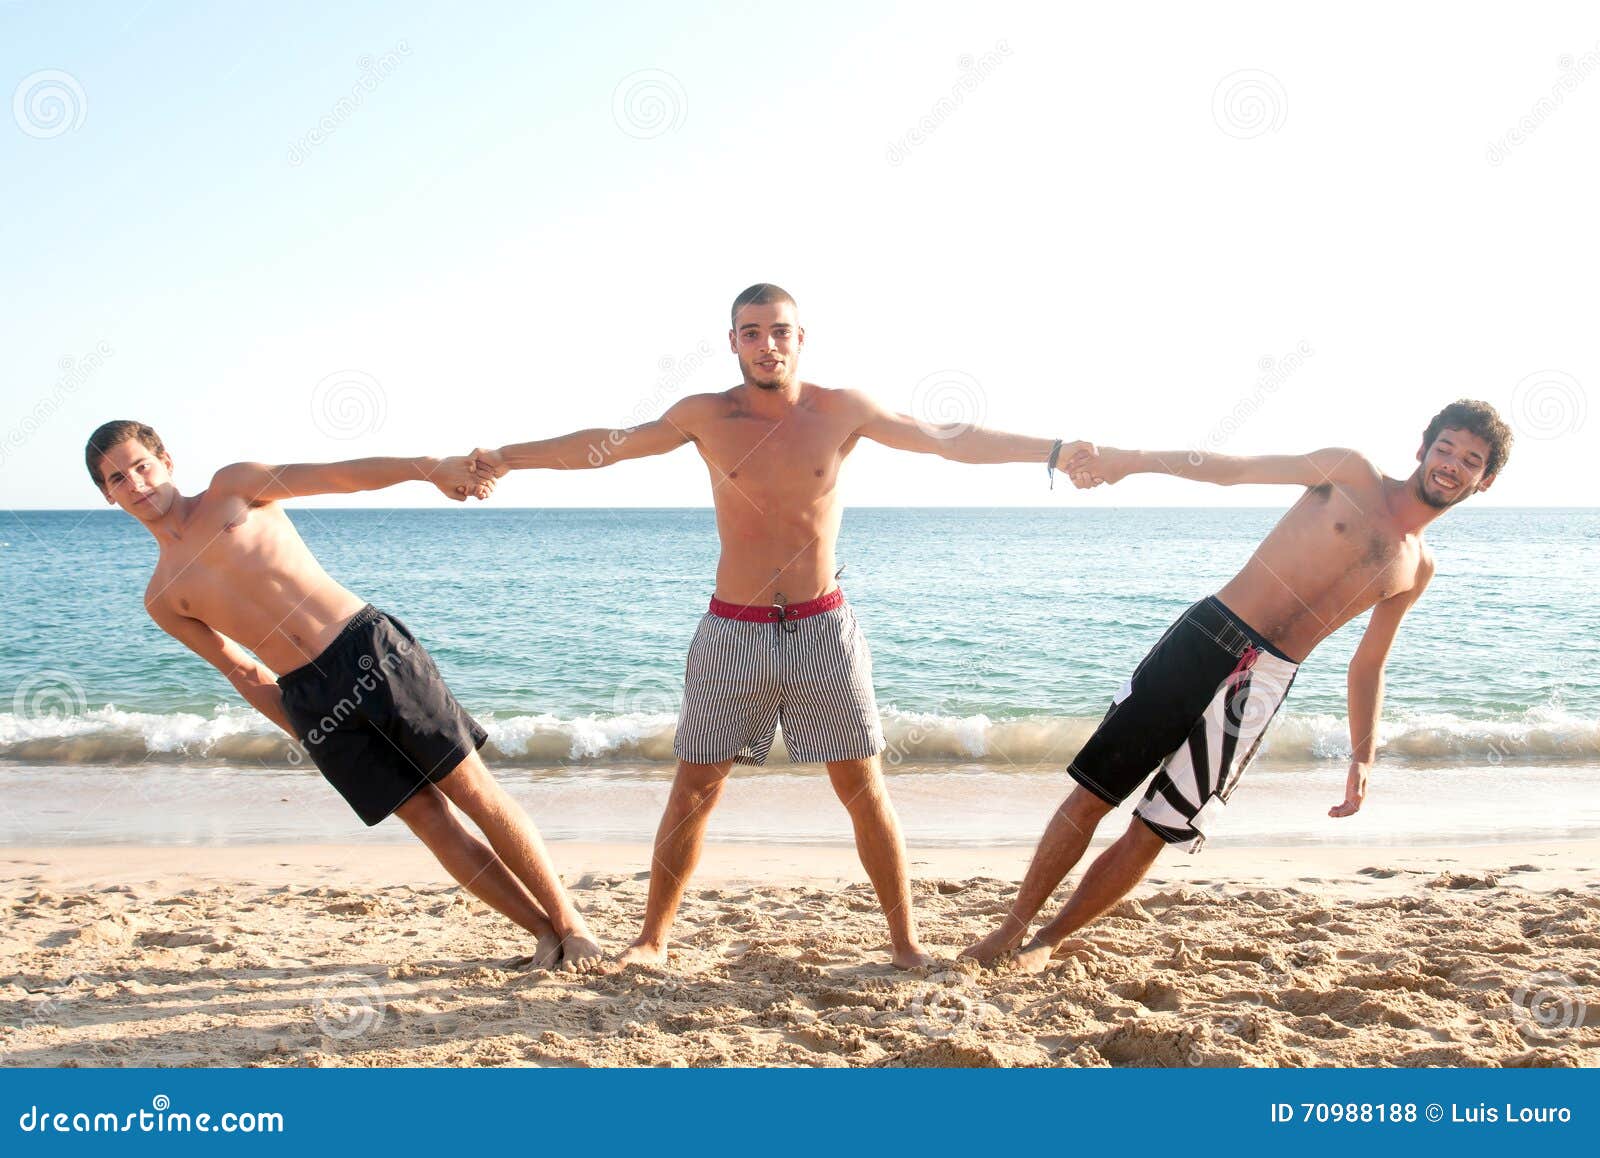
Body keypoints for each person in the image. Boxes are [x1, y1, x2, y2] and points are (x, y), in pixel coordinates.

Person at [466, 283, 1088, 969]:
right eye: (752, 332)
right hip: (731, 632)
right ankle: (652, 941)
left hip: (824, 629)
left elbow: (948, 440)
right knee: (695, 790)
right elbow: (606, 447)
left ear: (801, 338)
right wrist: (505, 456)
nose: (767, 345)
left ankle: (906, 945)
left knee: (863, 789)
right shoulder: (704, 414)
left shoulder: (841, 410)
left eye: (780, 331)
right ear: (732, 341)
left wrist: (1053, 451)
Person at [962, 400, 1513, 972]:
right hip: (1209, 637)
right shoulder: (1350, 472)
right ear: (1423, 448)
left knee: (1158, 828)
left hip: (1264, 683)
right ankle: (1011, 927)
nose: (1451, 464)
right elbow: (1234, 467)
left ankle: (1048, 940)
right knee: (1094, 793)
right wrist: (1130, 460)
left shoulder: (1417, 567)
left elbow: (1369, 663)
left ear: (1485, 479)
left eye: (1470, 460)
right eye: (1445, 448)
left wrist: (1363, 755)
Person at [85, 420, 603, 971]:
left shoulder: (231, 488)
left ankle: (574, 926)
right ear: (108, 495)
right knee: (429, 819)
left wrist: (428, 470)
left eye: (141, 466)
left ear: (165, 460)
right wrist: (306, 732)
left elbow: (341, 476)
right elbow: (241, 670)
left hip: (367, 648)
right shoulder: (163, 596)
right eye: (118, 478)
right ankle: (545, 936)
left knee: (474, 791)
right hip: (309, 699)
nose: (136, 483)